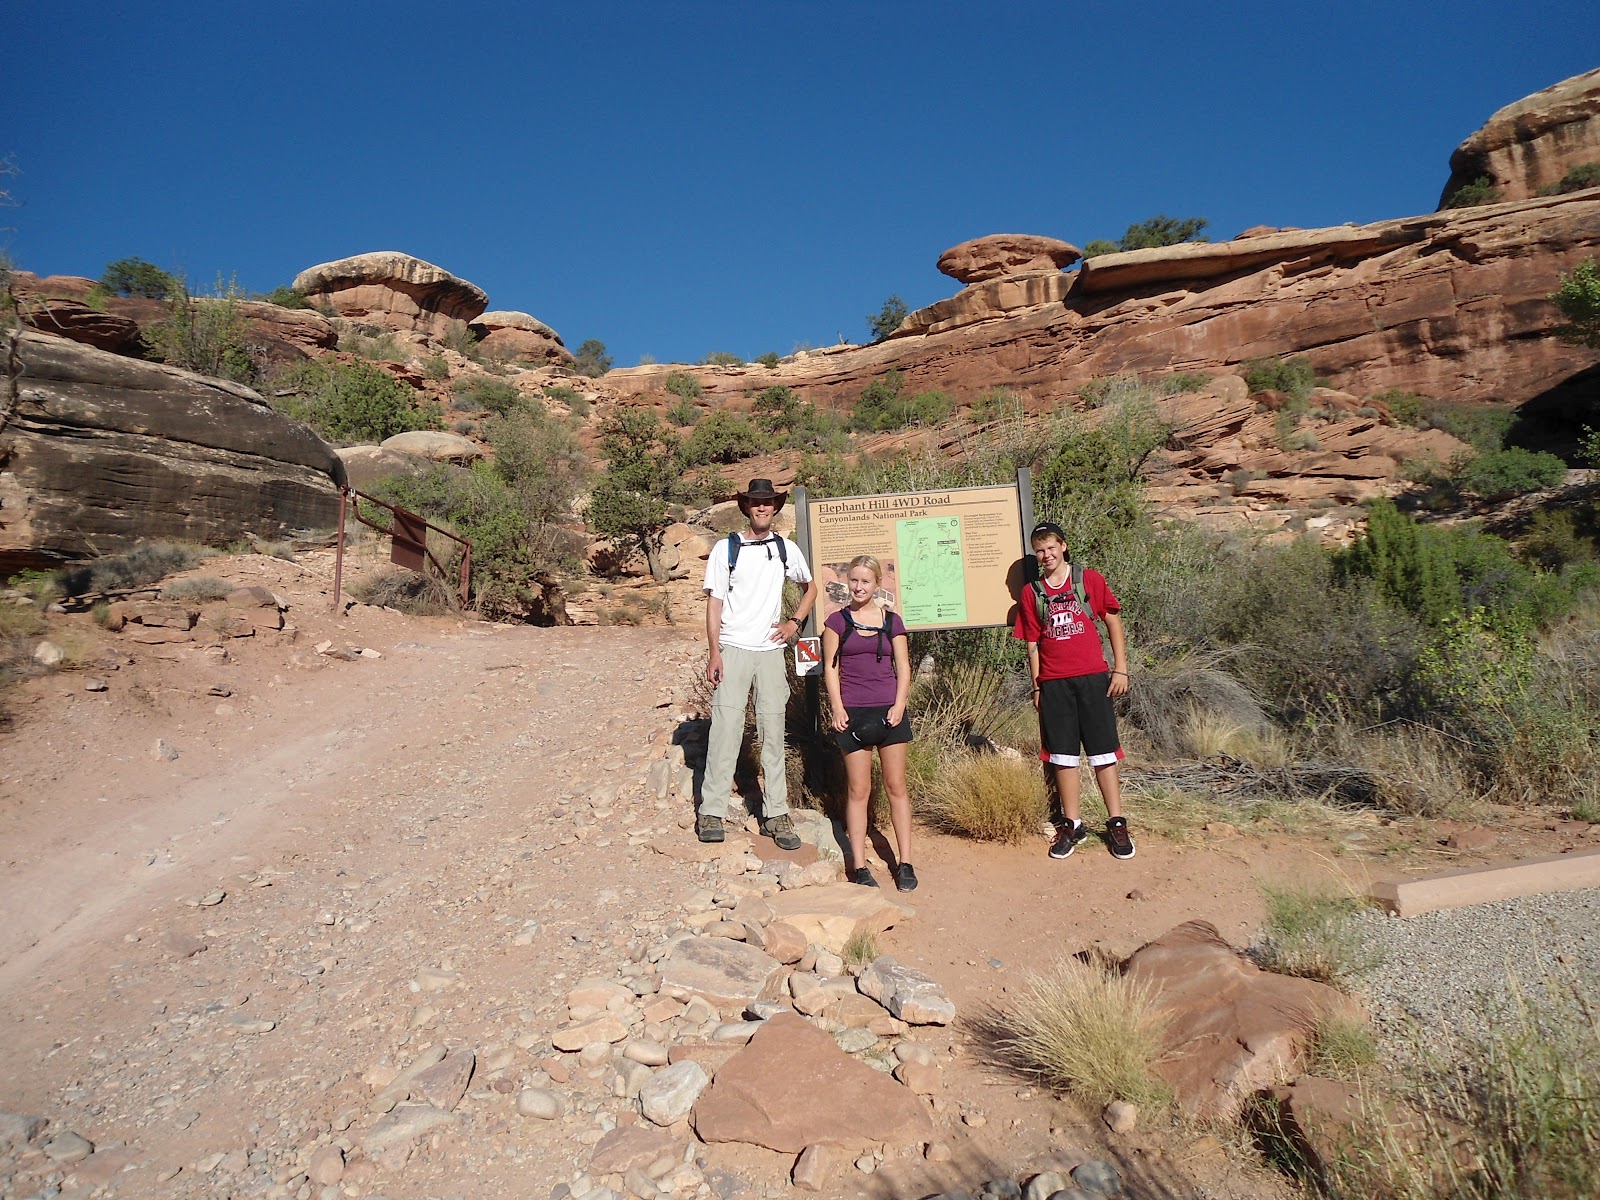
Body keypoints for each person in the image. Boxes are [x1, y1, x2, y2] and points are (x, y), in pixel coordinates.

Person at [700, 478, 818, 849]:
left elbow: (811, 588)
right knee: (725, 730)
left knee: (773, 732)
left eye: (768, 502)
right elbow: (715, 603)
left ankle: (776, 813)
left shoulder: (785, 549)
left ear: (775, 507)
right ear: (746, 507)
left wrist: (793, 623)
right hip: (734, 649)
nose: (762, 507)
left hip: (769, 652)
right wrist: (715, 652)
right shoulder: (726, 549)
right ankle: (712, 810)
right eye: (756, 502)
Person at [1013, 521, 1135, 861]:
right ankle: (1073, 823)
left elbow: (1112, 620)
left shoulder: (1088, 579)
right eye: (1040, 550)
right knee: (1063, 756)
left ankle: (1116, 822)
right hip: (1054, 682)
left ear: (1063, 546)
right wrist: (1037, 685)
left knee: (1103, 752)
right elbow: (1032, 642)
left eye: (1051, 547)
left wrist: (1120, 668)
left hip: (1093, 677)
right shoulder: (1032, 593)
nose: (1046, 555)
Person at [821, 555, 917, 891]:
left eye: (866, 581)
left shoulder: (892, 621)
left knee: (896, 786)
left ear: (877, 584)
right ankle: (860, 866)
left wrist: (900, 704)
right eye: (854, 580)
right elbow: (830, 667)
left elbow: (903, 666)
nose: (859, 587)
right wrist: (837, 707)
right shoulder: (836, 622)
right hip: (853, 712)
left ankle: (905, 862)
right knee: (858, 790)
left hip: (889, 711)